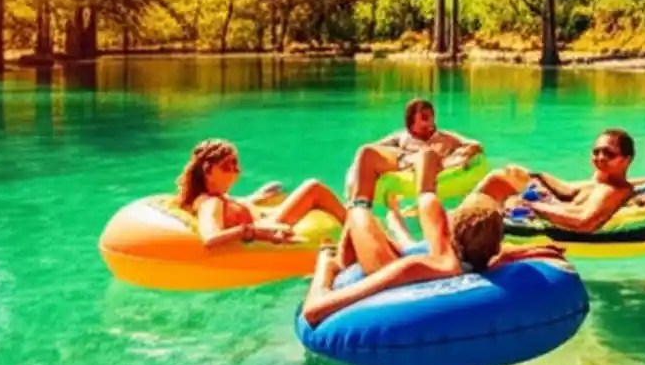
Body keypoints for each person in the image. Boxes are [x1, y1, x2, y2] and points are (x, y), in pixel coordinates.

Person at [300, 191, 567, 326]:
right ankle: (376, 234)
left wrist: (324, 266)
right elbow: (503, 253)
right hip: (412, 266)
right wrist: (529, 251)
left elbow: (314, 312)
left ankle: (340, 265)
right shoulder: (489, 262)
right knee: (398, 225)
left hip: (389, 275)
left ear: (453, 233)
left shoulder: (423, 265)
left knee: (358, 214)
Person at [472, 128, 645, 233]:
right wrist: (538, 176)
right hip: (553, 201)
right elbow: (571, 191)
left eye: (608, 153)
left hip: (547, 210)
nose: (600, 157)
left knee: (497, 181)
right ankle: (466, 216)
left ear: (626, 160)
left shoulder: (611, 190)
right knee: (507, 173)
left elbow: (583, 221)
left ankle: (465, 222)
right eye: (596, 152)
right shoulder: (602, 178)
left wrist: (533, 206)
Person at [172, 139, 348, 247]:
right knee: (313, 187)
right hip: (269, 224)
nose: (236, 171)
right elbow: (211, 238)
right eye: (228, 166)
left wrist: (256, 197)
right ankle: (353, 225)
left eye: (236, 165)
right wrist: (253, 232)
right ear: (208, 170)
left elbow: (229, 208)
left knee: (309, 192)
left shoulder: (213, 197)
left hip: (264, 218)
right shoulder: (210, 203)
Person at [344, 98, 484, 206]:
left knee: (426, 155)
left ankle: (424, 207)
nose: (430, 121)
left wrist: (457, 157)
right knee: (365, 152)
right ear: (411, 122)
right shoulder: (401, 137)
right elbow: (375, 148)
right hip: (404, 162)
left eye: (431, 117)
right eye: (424, 117)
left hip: (432, 164)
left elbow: (474, 145)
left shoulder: (445, 137)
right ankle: (359, 209)